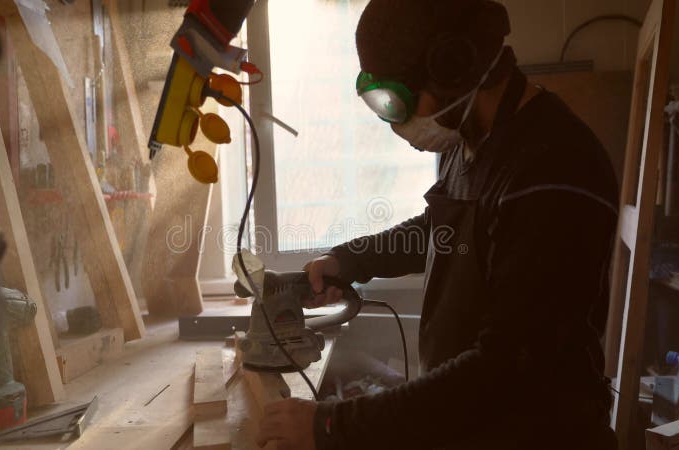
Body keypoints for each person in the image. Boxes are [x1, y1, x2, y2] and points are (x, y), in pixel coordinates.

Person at [256, 0, 619, 449]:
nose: (398, 123)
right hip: (475, 426)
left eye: (399, 101)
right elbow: (442, 229)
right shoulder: (470, 137)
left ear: (454, 68)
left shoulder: (553, 171)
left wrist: (330, 425)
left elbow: (506, 369)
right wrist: (350, 260)